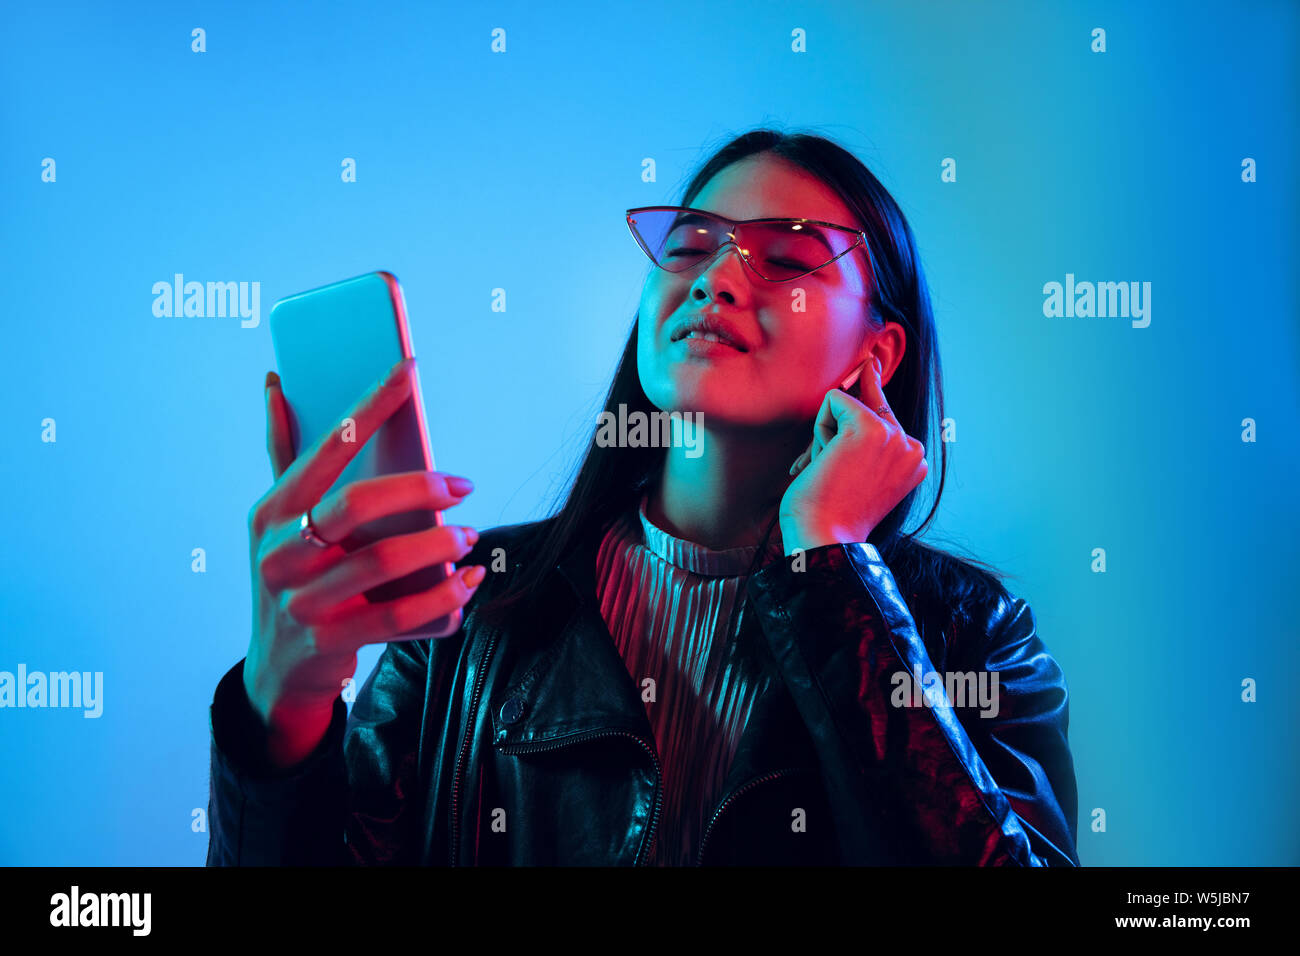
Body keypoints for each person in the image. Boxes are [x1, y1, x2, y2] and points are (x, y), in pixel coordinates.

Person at [207, 128, 1079, 867]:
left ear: (877, 358)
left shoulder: (976, 635)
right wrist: (280, 711)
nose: (715, 280)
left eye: (787, 258)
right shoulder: (472, 609)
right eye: (690, 247)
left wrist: (833, 563)